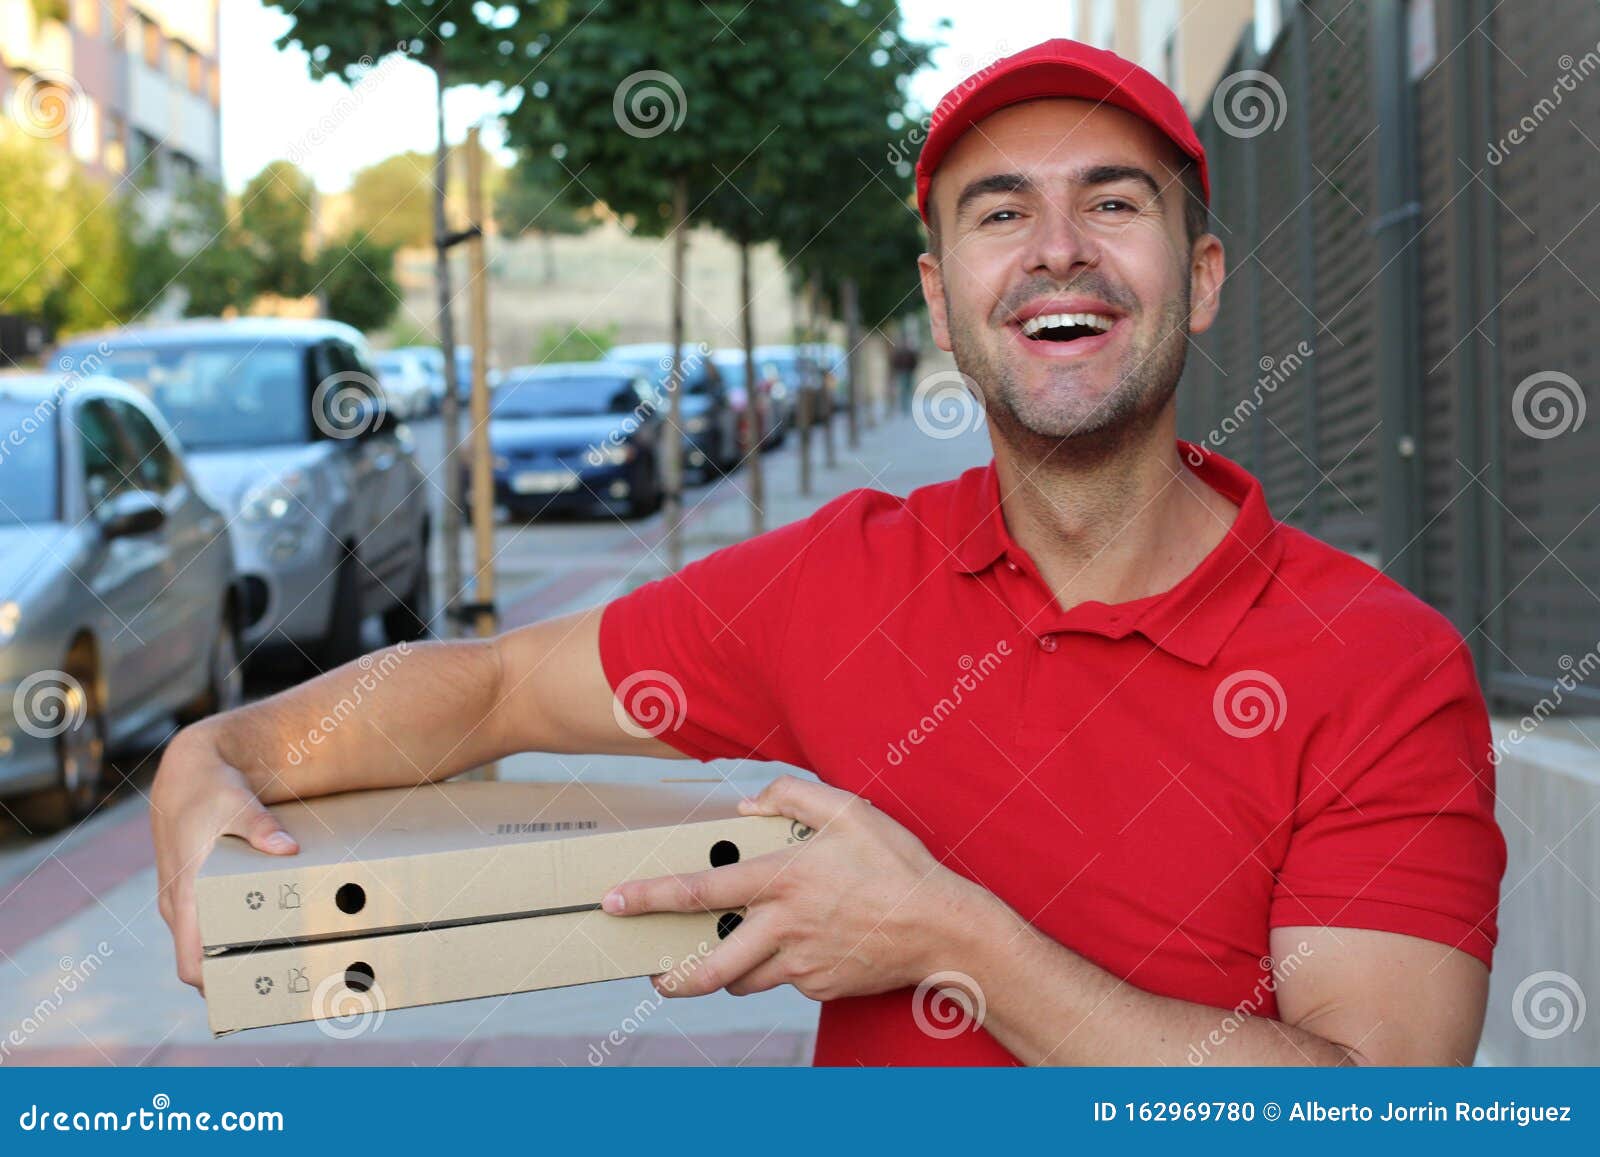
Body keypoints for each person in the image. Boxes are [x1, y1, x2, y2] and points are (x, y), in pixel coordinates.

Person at [153, 39, 1505, 1066]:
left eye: (1111, 203)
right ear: (942, 300)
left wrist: (950, 937)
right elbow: (497, 689)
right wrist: (224, 751)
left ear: (1202, 274)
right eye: (998, 214)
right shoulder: (841, 582)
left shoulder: (1378, 668)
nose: (1054, 252)